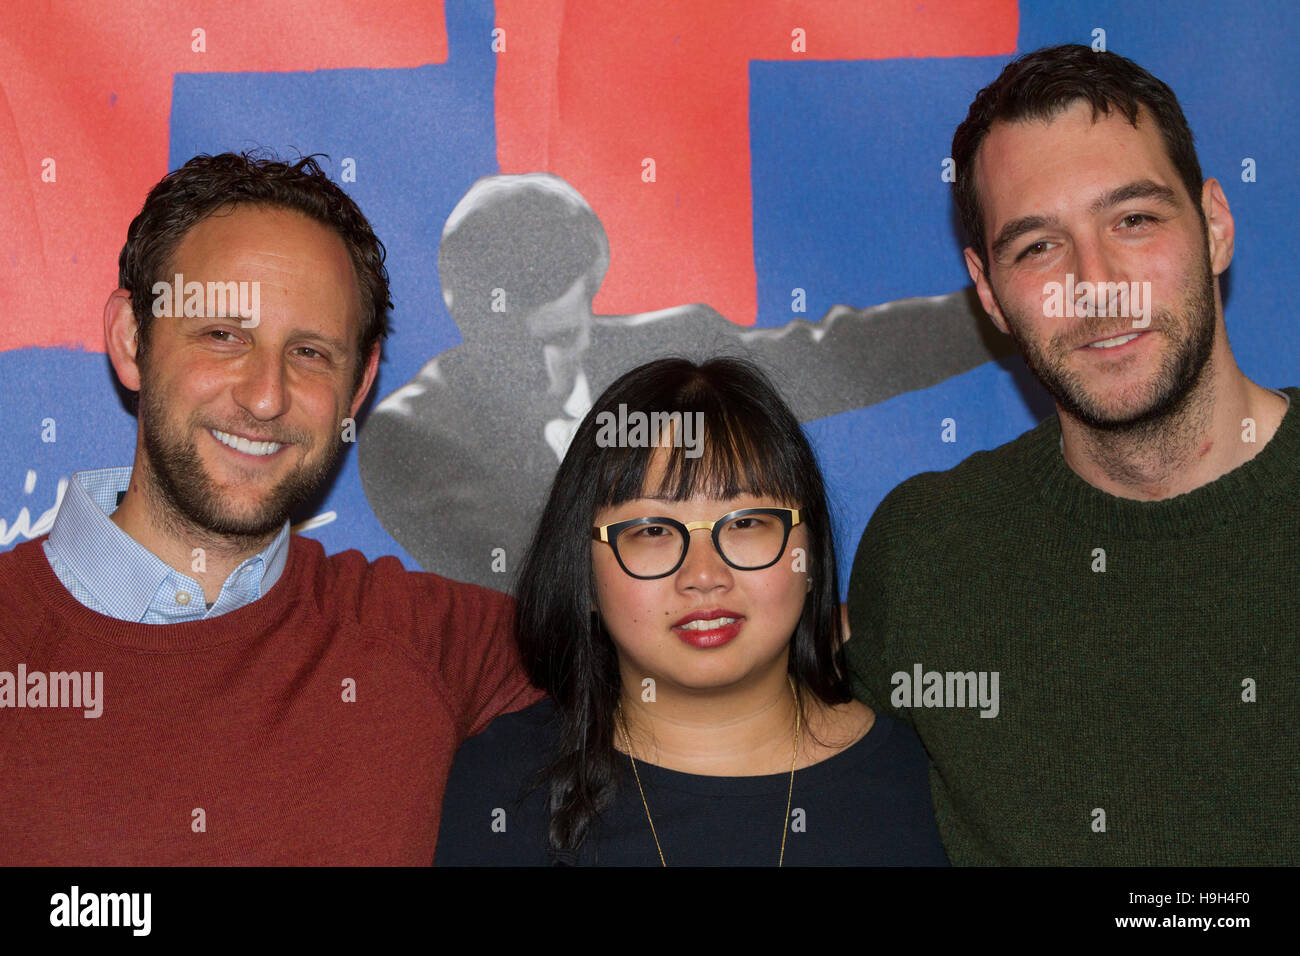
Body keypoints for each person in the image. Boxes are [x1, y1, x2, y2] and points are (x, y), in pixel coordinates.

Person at [0, 152, 540, 865]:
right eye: (223, 335)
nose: (265, 396)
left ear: (359, 385)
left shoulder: (433, 642)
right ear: (133, 339)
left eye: (311, 353)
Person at [845, 44, 1299, 865]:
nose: (1097, 283)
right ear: (989, 293)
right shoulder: (927, 552)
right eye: (1038, 247)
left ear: (1216, 226)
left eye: (1134, 219)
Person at [358, 172, 1014, 589]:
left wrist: (1010, 306)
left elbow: (843, 357)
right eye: (518, 347)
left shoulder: (666, 356)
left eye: (565, 337)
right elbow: (546, 578)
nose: (550, 368)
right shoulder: (416, 437)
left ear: (592, 293)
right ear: (464, 316)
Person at [435, 357, 948, 865]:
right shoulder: (505, 791)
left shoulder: (932, 781)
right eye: (653, 531)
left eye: (747, 523)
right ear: (585, 575)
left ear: (807, 554)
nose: (704, 575)